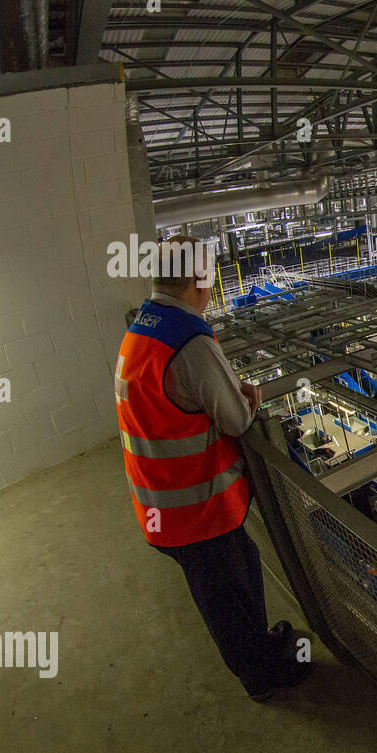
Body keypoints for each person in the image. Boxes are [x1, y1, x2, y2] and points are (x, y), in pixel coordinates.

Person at [115, 235, 310, 702]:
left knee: (239, 571)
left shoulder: (144, 325)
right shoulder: (189, 338)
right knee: (227, 597)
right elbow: (236, 418)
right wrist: (246, 395)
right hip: (195, 508)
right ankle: (263, 676)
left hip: (160, 498)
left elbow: (178, 394)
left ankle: (261, 647)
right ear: (200, 280)